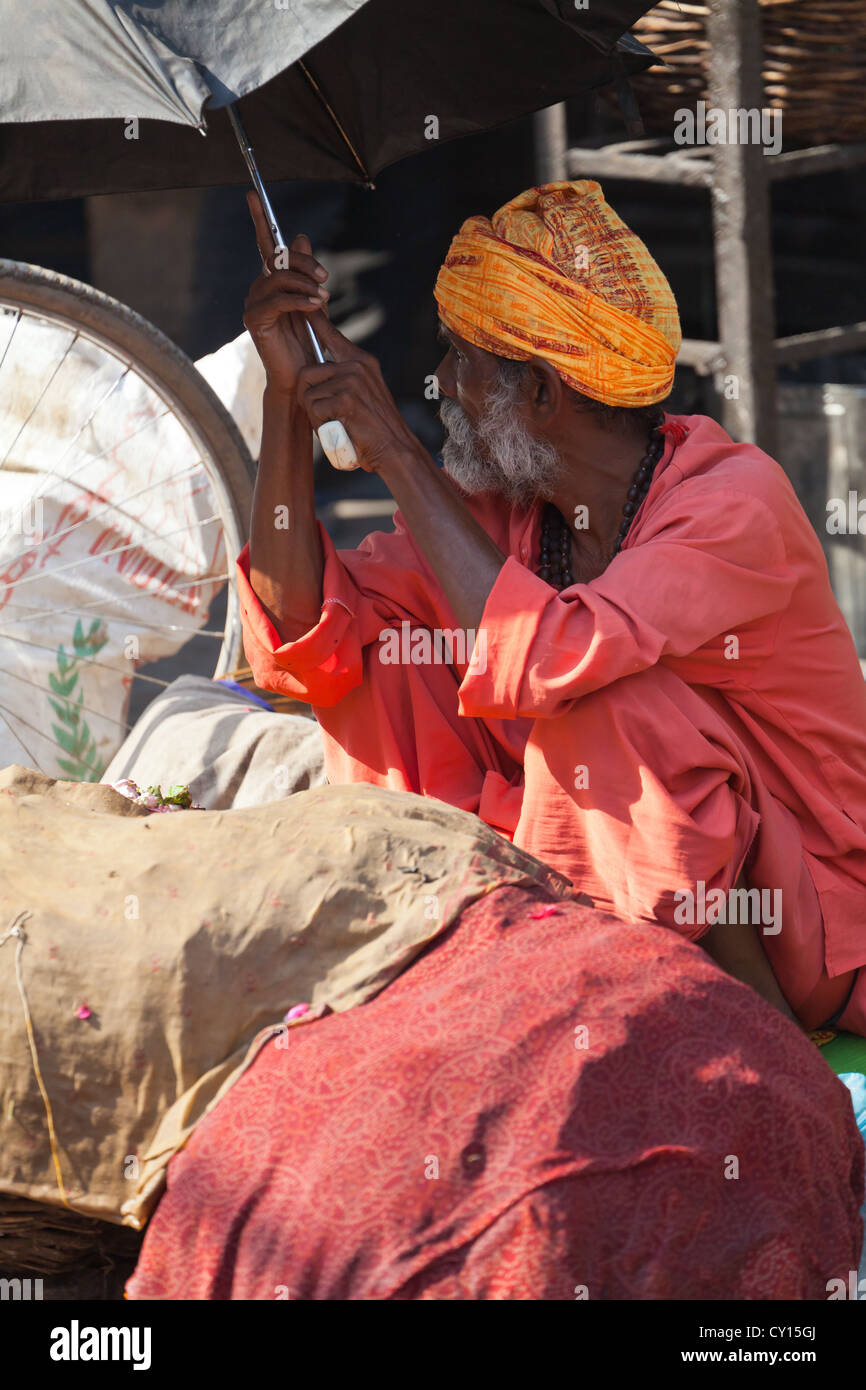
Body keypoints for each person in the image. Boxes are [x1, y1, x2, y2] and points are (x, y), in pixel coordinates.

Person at [237, 179, 866, 1034]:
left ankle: (743, 1035)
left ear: (541, 395)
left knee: (603, 704)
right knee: (384, 654)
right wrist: (286, 399)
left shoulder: (734, 502)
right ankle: (458, 941)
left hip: (807, 921)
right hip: (588, 885)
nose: (444, 386)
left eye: (461, 360)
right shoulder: (513, 510)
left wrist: (391, 446)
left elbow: (548, 655)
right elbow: (307, 639)